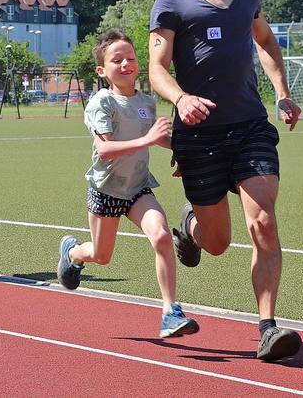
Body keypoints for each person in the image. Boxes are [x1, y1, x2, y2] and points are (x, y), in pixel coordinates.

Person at [148, 0, 303, 362]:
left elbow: (267, 43)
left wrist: (282, 93)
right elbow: (157, 68)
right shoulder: (170, 3)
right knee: (216, 243)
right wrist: (180, 99)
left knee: (264, 222)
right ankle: (191, 227)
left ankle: (268, 329)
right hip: (198, 136)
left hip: (251, 126)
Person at [57, 30, 199, 338]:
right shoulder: (101, 103)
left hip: (137, 188)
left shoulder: (147, 101)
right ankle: (72, 254)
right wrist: (147, 138)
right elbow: (105, 151)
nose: (126, 64)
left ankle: (170, 311)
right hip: (106, 190)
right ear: (102, 70)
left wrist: (181, 150)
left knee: (161, 236)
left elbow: (159, 137)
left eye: (131, 58)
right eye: (116, 60)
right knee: (101, 256)